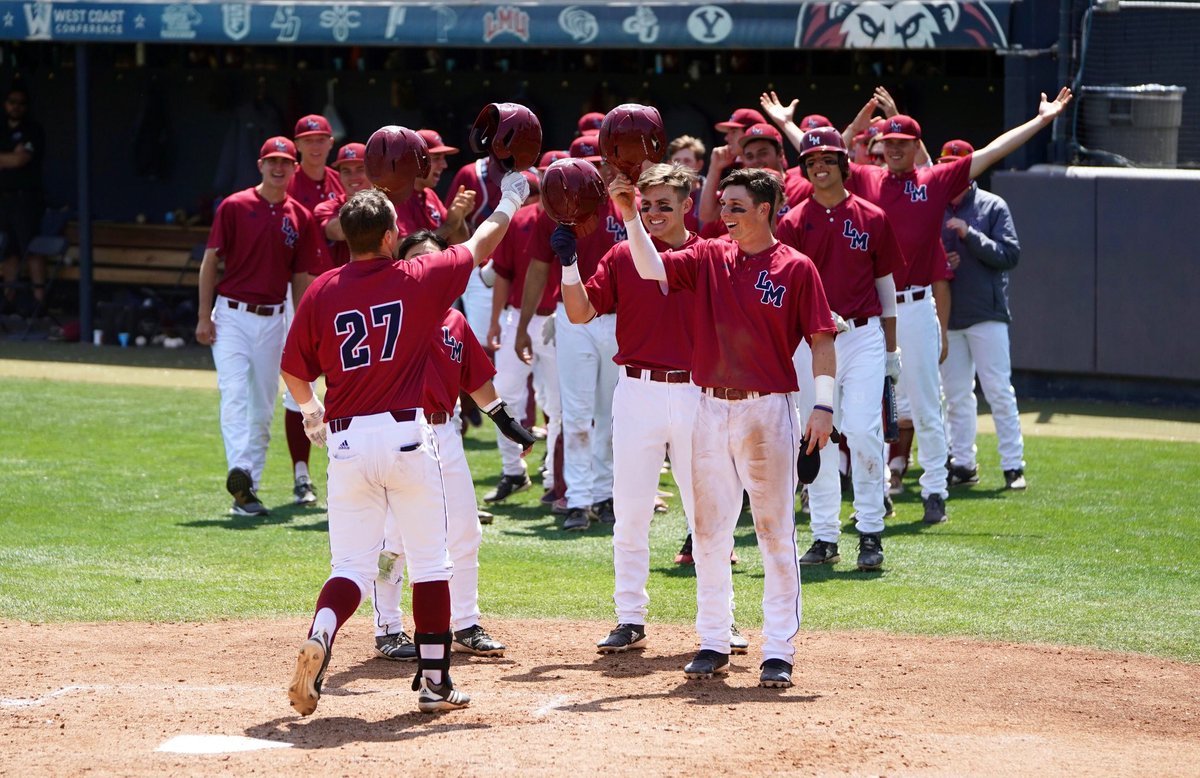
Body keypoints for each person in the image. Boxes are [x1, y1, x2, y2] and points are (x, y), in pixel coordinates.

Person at [281, 173, 529, 717]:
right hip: (408, 436)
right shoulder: (416, 275)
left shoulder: (323, 288)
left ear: (346, 237)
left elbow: (293, 370)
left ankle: (321, 636)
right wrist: (513, 194)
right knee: (431, 563)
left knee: (349, 567)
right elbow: (482, 240)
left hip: (346, 441)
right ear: (392, 236)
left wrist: (311, 411)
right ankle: (435, 684)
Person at [766, 86, 1072, 524]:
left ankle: (934, 489)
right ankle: (869, 501)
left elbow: (991, 151)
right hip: (868, 312)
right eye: (887, 143)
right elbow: (819, 155)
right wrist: (785, 123)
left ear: (916, 146)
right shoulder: (867, 179)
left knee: (928, 403)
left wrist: (1043, 121)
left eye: (901, 143)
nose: (892, 149)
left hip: (913, 304)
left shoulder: (935, 180)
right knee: (859, 417)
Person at [619, 166, 838, 688]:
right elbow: (651, 269)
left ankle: (778, 648)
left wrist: (824, 407)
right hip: (710, 407)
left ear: (766, 210)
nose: (726, 216)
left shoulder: (797, 267)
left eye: (737, 207)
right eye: (723, 206)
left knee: (774, 532)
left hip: (768, 408)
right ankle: (714, 640)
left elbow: (822, 340)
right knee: (709, 532)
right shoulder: (711, 254)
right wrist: (630, 215)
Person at [557, 162, 748, 655]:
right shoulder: (621, 255)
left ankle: (720, 620)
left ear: (688, 205)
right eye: (649, 203)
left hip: (696, 392)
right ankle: (629, 616)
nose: (657, 212)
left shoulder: (709, 253)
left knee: (709, 514)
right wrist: (569, 264)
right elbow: (580, 312)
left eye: (667, 203)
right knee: (631, 511)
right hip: (637, 390)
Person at [370, 230, 533, 663]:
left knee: (464, 530)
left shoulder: (455, 321)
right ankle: (387, 626)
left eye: (435, 260)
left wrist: (505, 421)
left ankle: (465, 623)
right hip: (400, 433)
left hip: (446, 434)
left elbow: (475, 380)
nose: (428, 268)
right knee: (395, 536)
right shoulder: (390, 314)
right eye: (417, 260)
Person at [776, 127, 906, 571]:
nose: (820, 167)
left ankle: (870, 531)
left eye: (827, 159)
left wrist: (892, 348)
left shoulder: (871, 216)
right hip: (813, 341)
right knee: (818, 436)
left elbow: (886, 286)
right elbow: (786, 287)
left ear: (843, 163)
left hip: (864, 333)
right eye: (812, 161)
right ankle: (826, 536)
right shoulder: (792, 221)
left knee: (864, 430)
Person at [195, 136, 327, 516]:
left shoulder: (298, 215)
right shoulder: (235, 205)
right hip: (232, 313)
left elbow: (300, 277)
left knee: (264, 406)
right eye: (272, 160)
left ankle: (245, 489)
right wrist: (204, 315)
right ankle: (240, 468)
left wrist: (302, 329)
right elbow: (210, 261)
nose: (279, 167)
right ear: (260, 165)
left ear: (293, 168)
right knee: (234, 390)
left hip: (274, 318)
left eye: (285, 162)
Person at [516, 136, 625, 531]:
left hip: (616, 318)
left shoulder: (622, 205)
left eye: (597, 163)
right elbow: (538, 269)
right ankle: (578, 497)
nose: (591, 171)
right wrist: (525, 324)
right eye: (584, 164)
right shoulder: (555, 210)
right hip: (573, 316)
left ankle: (606, 492)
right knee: (576, 413)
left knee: (610, 414)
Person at [936, 139, 1027, 491]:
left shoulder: (992, 205)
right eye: (946, 163)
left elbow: (1010, 255)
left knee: (998, 390)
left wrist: (970, 234)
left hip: (987, 313)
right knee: (955, 394)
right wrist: (943, 260)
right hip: (948, 316)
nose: (952, 169)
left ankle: (1013, 465)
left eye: (958, 163)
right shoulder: (935, 206)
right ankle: (963, 463)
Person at [484, 154, 561, 506]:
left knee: (560, 405)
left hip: (562, 319)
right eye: (547, 176)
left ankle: (557, 478)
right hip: (519, 316)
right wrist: (496, 321)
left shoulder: (580, 219)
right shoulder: (521, 219)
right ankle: (513, 471)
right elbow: (503, 273)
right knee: (502, 395)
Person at [280, 115, 346, 506]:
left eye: (322, 138)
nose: (316, 146)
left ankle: (339, 465)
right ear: (298, 144)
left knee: (342, 381)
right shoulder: (288, 182)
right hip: (298, 291)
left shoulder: (340, 184)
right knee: (298, 384)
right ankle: (301, 473)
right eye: (308, 139)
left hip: (337, 292)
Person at [0, 85, 46, 315]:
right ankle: (10, 297)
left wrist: (12, 157)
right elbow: (12, 159)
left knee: (31, 246)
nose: (16, 107)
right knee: (8, 250)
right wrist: (10, 156)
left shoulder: (32, 130)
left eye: (21, 103)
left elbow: (20, 161)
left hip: (25, 199)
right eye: (11, 101)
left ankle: (39, 300)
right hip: (3, 198)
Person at [313, 142, 371, 269]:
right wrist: (370, 202)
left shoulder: (387, 202)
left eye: (360, 169)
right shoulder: (326, 208)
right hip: (340, 283)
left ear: (372, 171)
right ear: (339, 176)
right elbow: (340, 232)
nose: (353, 177)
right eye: (346, 171)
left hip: (380, 279)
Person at [288, 114, 345, 212]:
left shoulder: (342, 181)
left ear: (331, 143)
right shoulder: (286, 183)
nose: (315, 147)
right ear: (297, 145)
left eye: (321, 140)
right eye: (308, 141)